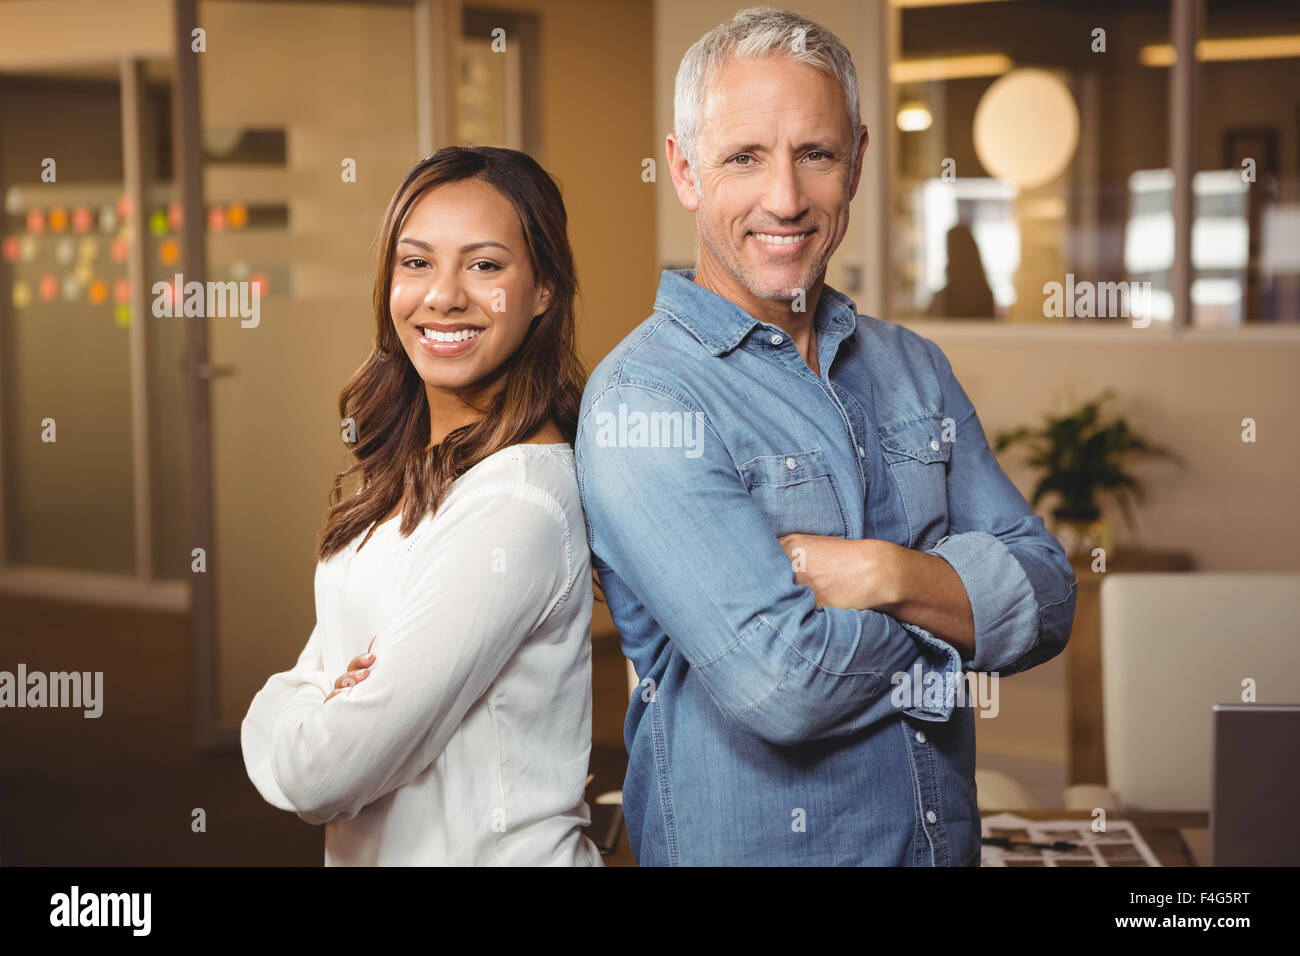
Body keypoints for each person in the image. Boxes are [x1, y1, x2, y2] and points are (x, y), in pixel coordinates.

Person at [574, 7, 1077, 865]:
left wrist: (880, 573)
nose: (786, 198)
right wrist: (955, 613)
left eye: (816, 154)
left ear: (858, 161)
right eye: (744, 157)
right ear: (685, 170)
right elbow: (786, 683)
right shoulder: (642, 401)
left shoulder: (914, 366)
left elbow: (1051, 595)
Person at [241, 147, 603, 866]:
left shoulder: (517, 502)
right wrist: (316, 702)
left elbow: (323, 773)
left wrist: (302, 710)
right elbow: (319, 679)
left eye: (485, 265)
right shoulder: (413, 472)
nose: (443, 296)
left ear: (544, 291)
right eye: (416, 263)